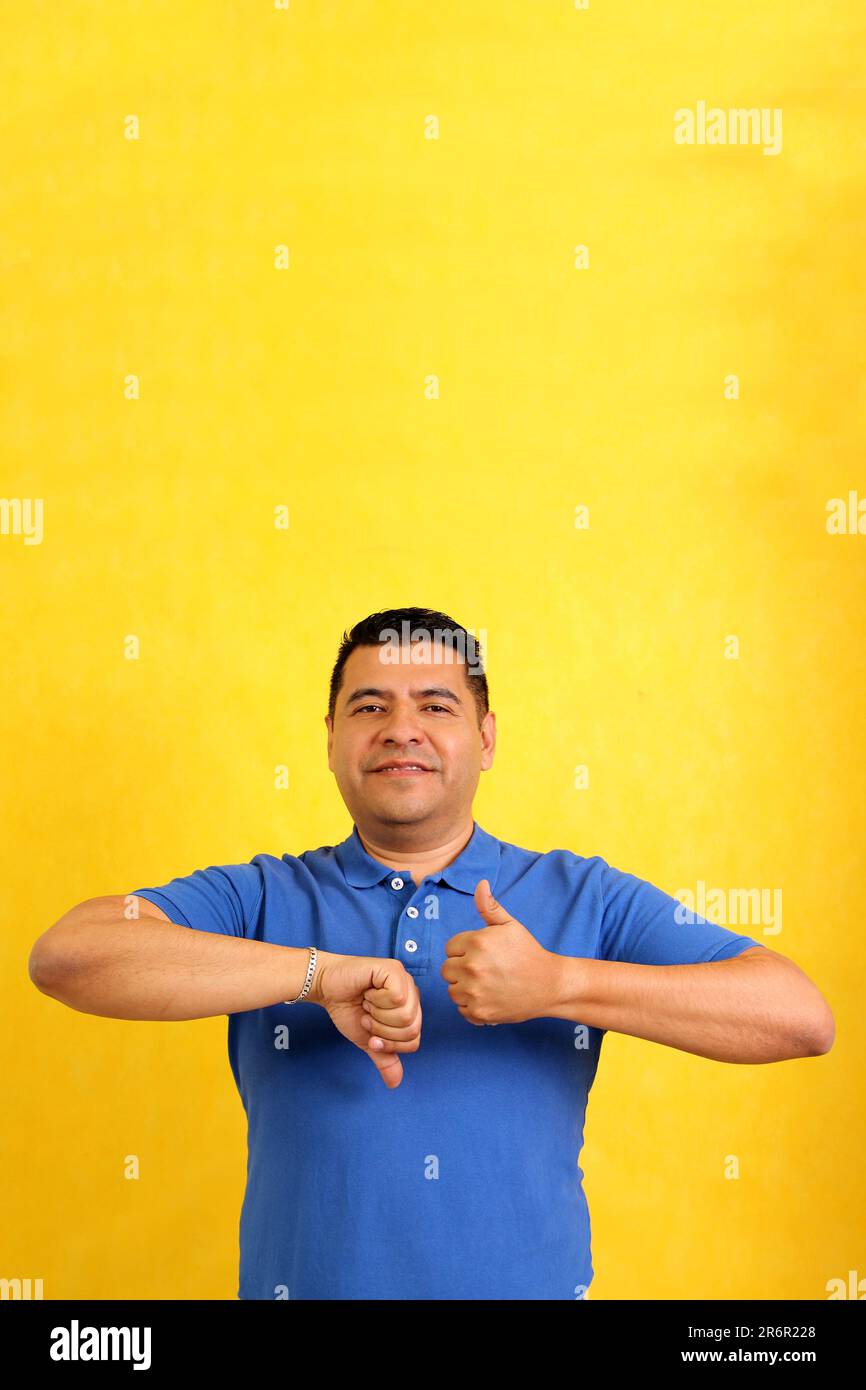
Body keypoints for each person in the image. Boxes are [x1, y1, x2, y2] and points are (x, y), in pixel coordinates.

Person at [28, 607, 835, 1300]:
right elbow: (69, 955)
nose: (400, 729)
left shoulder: (586, 895)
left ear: (485, 739)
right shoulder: (262, 897)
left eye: (435, 705)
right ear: (333, 738)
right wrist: (318, 975)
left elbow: (798, 1016)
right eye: (369, 704)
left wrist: (558, 983)